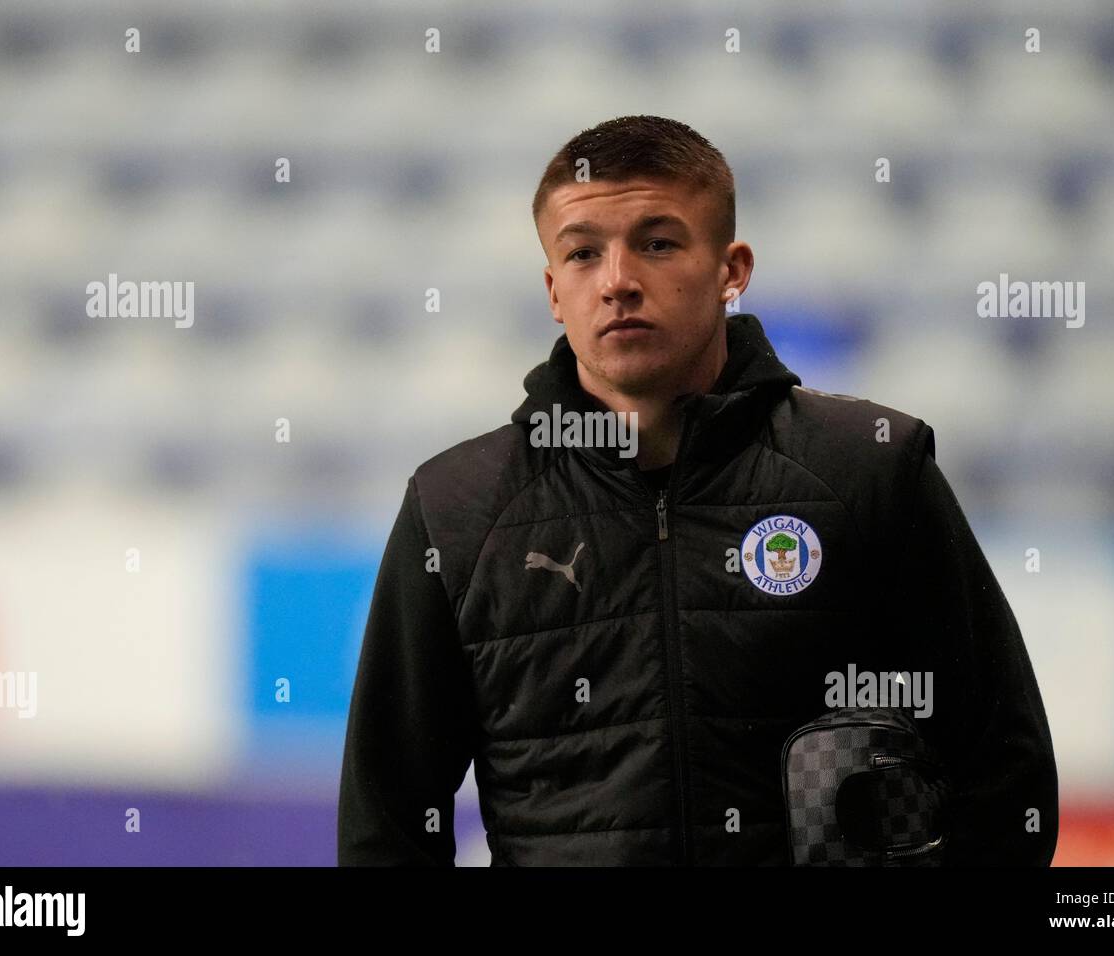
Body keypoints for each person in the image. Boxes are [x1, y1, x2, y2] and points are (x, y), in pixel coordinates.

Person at [337, 115, 1058, 866]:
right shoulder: (457, 509)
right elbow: (383, 819)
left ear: (731, 267)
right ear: (554, 290)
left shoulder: (871, 470)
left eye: (657, 242)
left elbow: (1003, 771)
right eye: (583, 253)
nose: (617, 280)